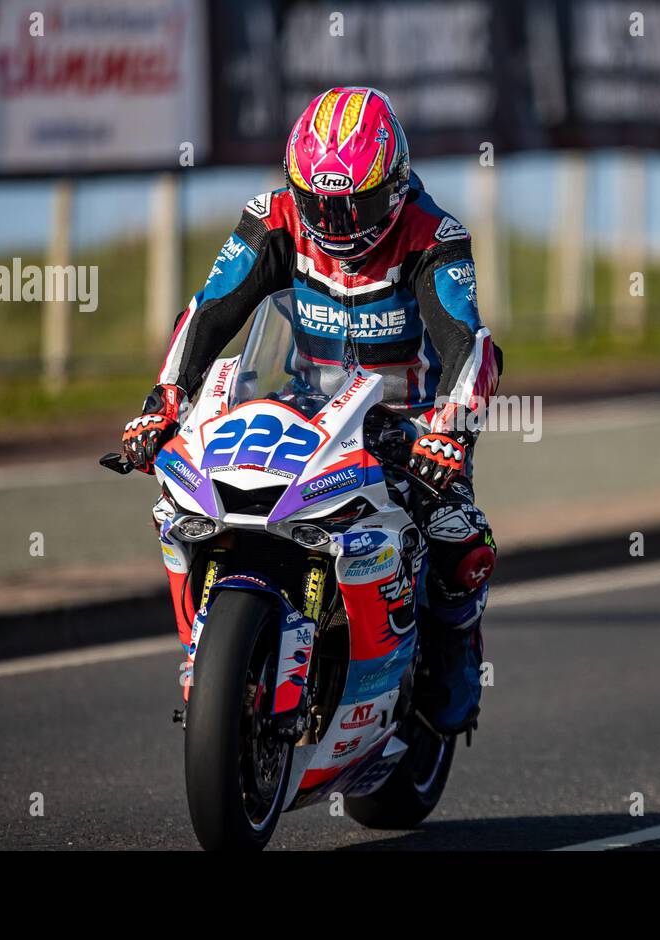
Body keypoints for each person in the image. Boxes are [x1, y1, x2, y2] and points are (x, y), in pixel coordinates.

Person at [121, 87, 500, 735]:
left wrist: (451, 429)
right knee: (187, 495)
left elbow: (470, 343)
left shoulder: (434, 236)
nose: (337, 223)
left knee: (460, 542)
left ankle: (452, 660)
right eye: (320, 205)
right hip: (297, 404)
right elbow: (209, 311)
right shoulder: (271, 219)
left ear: (398, 186)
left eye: (357, 205)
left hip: (405, 425)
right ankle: (206, 659)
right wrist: (164, 402)